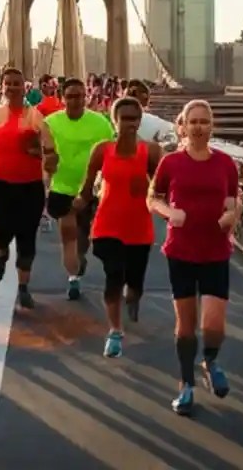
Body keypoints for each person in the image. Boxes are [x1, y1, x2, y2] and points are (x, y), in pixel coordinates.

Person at [150, 99, 240, 416]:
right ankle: (185, 386)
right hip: (182, 251)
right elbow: (153, 197)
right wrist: (168, 212)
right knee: (186, 327)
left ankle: (210, 360)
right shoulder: (171, 163)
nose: (199, 127)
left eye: (205, 121)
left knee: (214, 326)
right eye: (194, 121)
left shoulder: (227, 164)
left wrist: (230, 216)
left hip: (215, 250)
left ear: (211, 127)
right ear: (183, 126)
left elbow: (232, 201)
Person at [79, 96, 162, 358]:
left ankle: (134, 298)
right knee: (114, 276)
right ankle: (115, 331)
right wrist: (75, 205)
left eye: (134, 119)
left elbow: (162, 189)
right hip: (108, 225)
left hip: (139, 227)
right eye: (124, 118)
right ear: (114, 121)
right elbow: (86, 189)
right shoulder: (102, 150)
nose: (130, 124)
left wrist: (150, 189)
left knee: (134, 284)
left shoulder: (150, 151)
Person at [0, 66, 45, 309]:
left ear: (25, 87)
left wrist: (40, 154)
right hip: (1, 184)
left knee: (27, 235)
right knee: (3, 226)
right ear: (2, 87)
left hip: (30, 185)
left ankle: (23, 287)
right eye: (8, 83)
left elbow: (50, 149)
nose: (13, 87)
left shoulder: (35, 118)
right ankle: (1, 253)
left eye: (17, 83)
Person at [40, 77, 116, 300]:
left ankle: (79, 259)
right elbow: (41, 150)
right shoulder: (51, 123)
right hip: (61, 187)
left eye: (80, 96)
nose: (76, 101)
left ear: (86, 97)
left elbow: (110, 154)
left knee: (83, 237)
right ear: (63, 99)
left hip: (91, 189)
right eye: (71, 96)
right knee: (68, 234)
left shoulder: (101, 123)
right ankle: (73, 278)